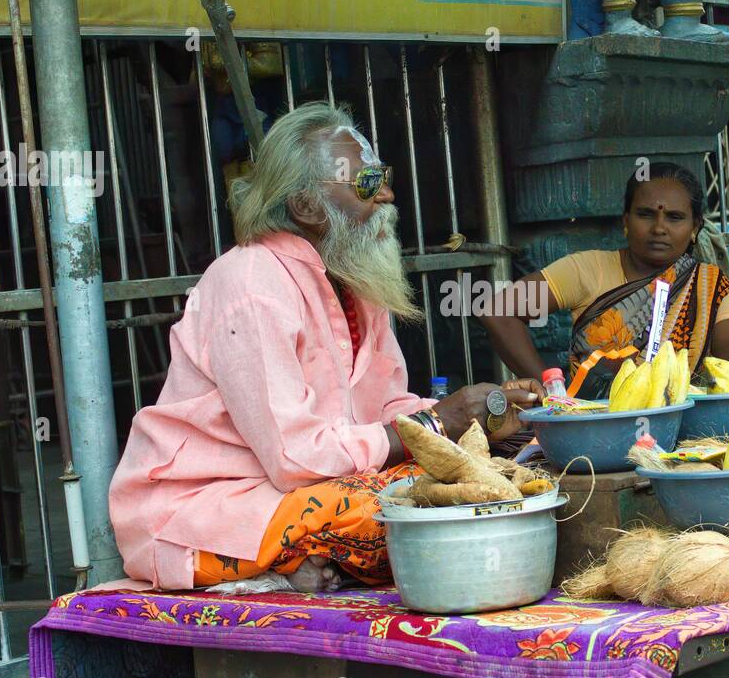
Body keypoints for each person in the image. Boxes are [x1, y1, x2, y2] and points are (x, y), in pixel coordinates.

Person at [109, 102, 542, 592]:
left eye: (383, 177)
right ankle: (280, 563)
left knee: (508, 466)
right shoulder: (251, 283)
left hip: (302, 489)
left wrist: (482, 425)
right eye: (366, 184)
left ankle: (293, 568)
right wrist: (437, 422)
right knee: (402, 508)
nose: (388, 195)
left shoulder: (354, 278)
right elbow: (296, 459)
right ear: (306, 207)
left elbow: (386, 410)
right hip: (207, 508)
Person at [480, 162, 729, 395]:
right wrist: (551, 389)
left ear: (694, 228)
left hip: (681, 430)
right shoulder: (588, 269)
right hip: (591, 428)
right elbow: (499, 311)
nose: (659, 228)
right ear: (626, 221)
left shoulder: (708, 284)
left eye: (674, 217)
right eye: (646, 214)